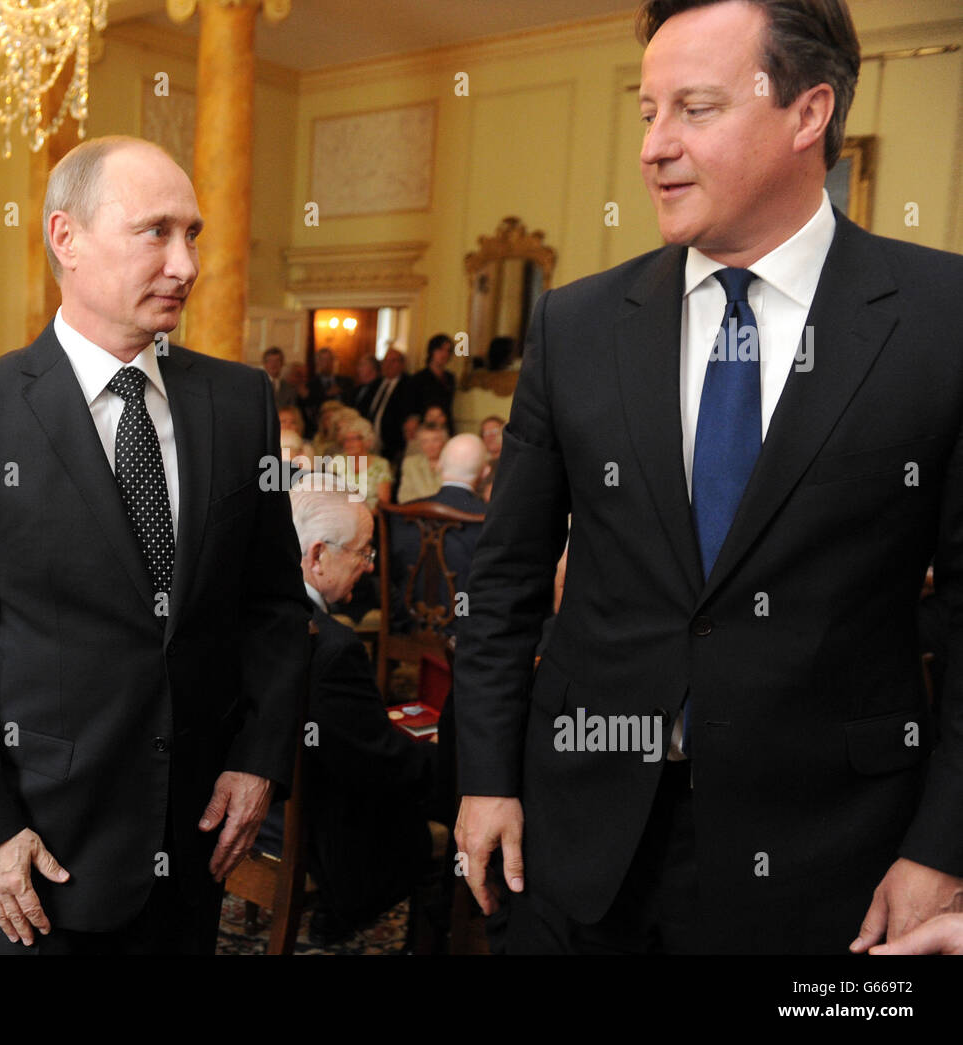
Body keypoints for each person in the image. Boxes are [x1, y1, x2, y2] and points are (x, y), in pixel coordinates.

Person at [454, 0, 963, 955]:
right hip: (581, 845)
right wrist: (486, 777)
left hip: (833, 864)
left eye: (694, 108)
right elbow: (506, 580)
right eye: (647, 113)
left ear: (808, 113)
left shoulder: (942, 320)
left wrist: (945, 847)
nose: (654, 147)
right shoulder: (579, 325)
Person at [0, 135, 310, 955]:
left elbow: (273, 604)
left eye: (193, 235)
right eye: (156, 232)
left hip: (196, 839)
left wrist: (260, 762)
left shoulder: (239, 402)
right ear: (65, 238)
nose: (185, 264)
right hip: (42, 855)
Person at [258, 485, 435, 944]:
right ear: (317, 556)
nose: (372, 564)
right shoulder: (331, 647)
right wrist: (445, 759)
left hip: (253, 812)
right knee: (439, 817)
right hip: (308, 834)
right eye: (363, 551)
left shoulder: (249, 610)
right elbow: (380, 766)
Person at [390, 434, 488, 635]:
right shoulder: (489, 518)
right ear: (485, 472)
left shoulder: (402, 514)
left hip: (408, 621)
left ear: (439, 466)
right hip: (465, 627)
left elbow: (395, 573)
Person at [330, 416, 392, 512]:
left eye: (354, 439)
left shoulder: (380, 465)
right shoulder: (336, 462)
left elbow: (383, 502)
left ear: (367, 441)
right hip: (341, 515)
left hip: (371, 517)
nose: (348, 444)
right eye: (346, 440)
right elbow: (330, 495)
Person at [368, 348, 413, 464]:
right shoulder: (376, 384)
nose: (388, 365)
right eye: (385, 361)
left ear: (402, 365)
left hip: (392, 447)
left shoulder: (409, 385)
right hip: (369, 444)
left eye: (393, 361)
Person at [409, 334, 456, 435]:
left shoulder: (450, 378)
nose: (444, 354)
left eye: (448, 351)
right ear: (432, 351)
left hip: (445, 428)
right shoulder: (418, 378)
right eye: (440, 349)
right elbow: (412, 407)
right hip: (424, 429)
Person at [396, 425, 446, 504]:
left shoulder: (452, 464)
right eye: (425, 441)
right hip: (417, 513)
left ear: (444, 442)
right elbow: (403, 497)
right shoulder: (410, 463)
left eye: (435, 440)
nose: (430, 446)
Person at [478, 415, 505, 501]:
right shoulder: (478, 463)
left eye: (495, 431)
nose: (491, 436)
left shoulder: (511, 462)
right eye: (486, 433)